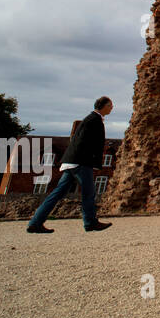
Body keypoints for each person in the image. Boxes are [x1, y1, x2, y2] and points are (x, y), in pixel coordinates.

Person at [26, 97, 114, 233]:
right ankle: (90, 222)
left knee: (57, 193)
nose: (111, 108)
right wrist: (91, 160)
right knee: (89, 193)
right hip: (81, 162)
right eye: (110, 105)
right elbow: (86, 142)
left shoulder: (90, 119)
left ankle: (36, 222)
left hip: (72, 161)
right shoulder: (94, 120)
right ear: (102, 106)